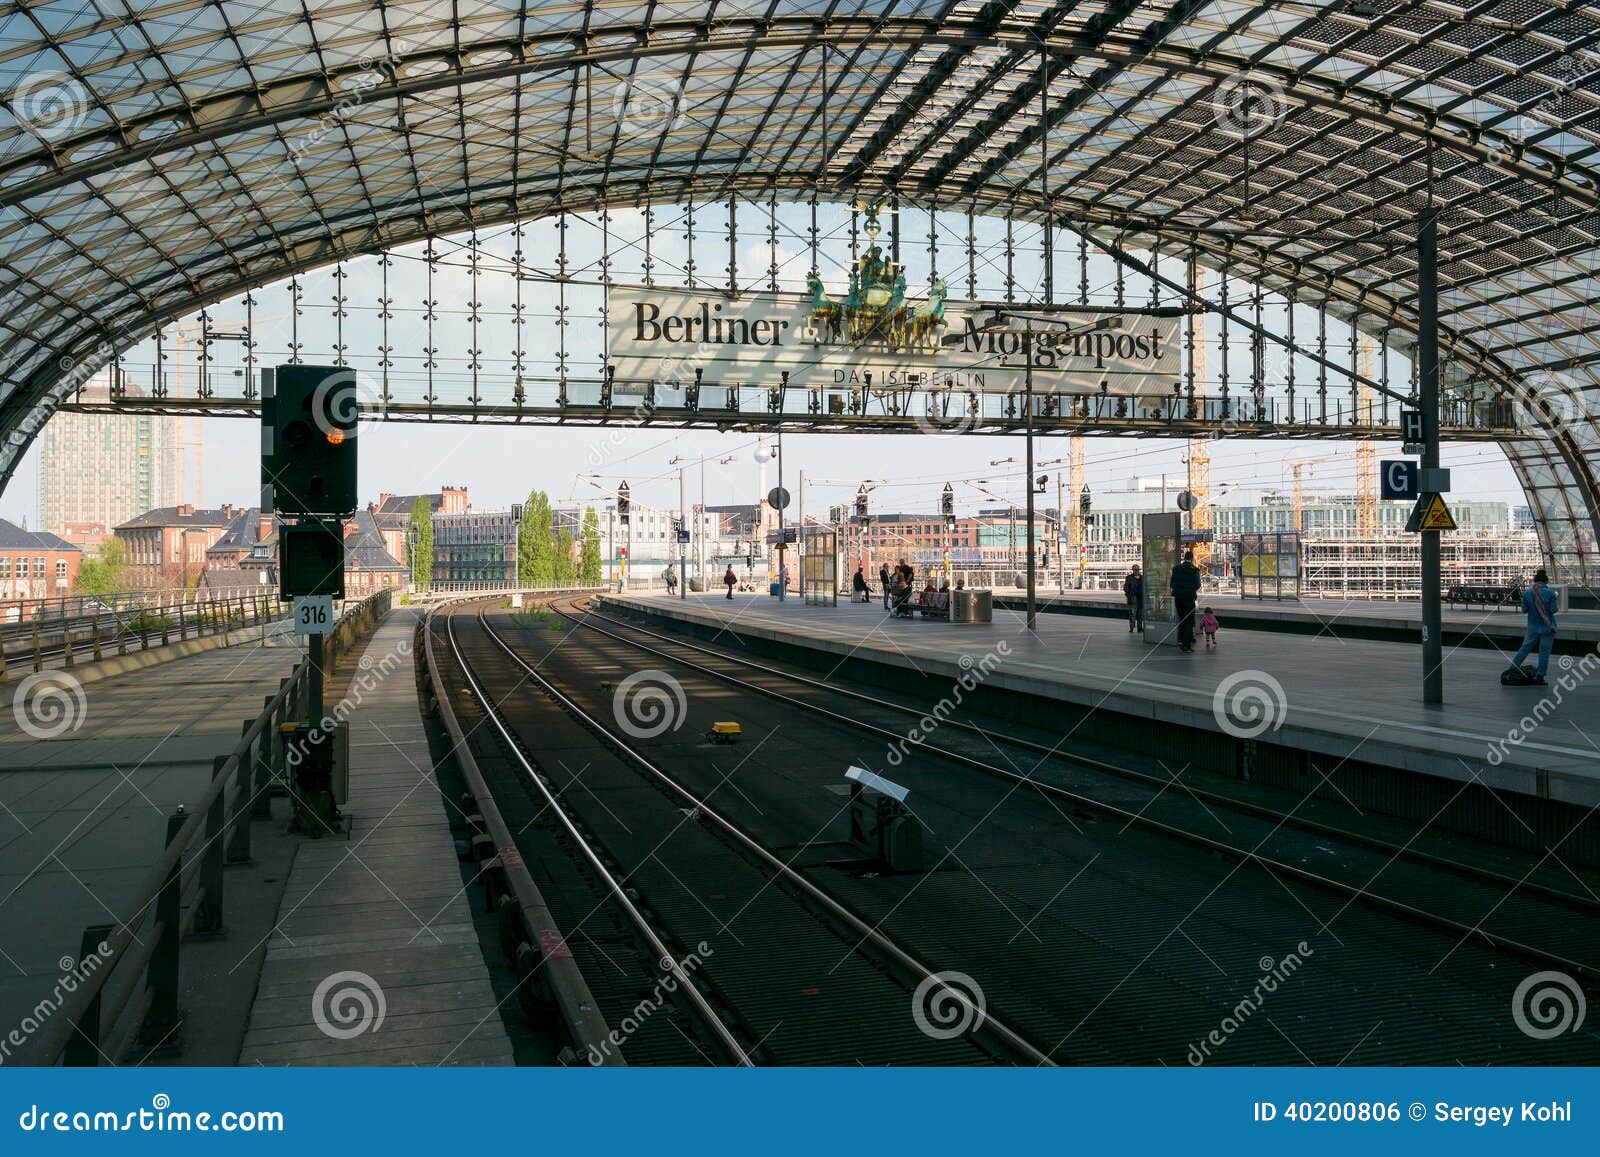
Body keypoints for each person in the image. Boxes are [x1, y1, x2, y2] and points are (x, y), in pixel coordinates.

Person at [1507, 568, 1559, 685]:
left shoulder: (1527, 593)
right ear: (1546, 582)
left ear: (1535, 580)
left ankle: (1511, 670)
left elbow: (1524, 610)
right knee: (1544, 653)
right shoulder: (1550, 593)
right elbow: (1553, 610)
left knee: (1524, 649)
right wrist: (1555, 598)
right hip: (1548, 627)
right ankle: (1540, 676)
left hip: (1533, 627)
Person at [1170, 549, 1202, 652]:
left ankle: (1180, 640)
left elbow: (1172, 583)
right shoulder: (1194, 570)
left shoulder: (1176, 568)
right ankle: (1186, 645)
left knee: (1182, 619)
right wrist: (1189, 590)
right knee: (1189, 621)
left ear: (1184, 558)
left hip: (1178, 597)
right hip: (1189, 598)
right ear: (1192, 558)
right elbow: (1198, 584)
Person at [1123, 564, 1144, 633]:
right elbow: (1126, 588)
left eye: (1138, 569)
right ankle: (1131, 627)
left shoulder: (1142, 577)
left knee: (1140, 615)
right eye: (1135, 570)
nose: (1137, 571)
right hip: (1132, 599)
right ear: (1133, 570)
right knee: (1132, 614)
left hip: (1140, 599)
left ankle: (1140, 628)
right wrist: (1129, 595)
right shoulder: (1129, 578)